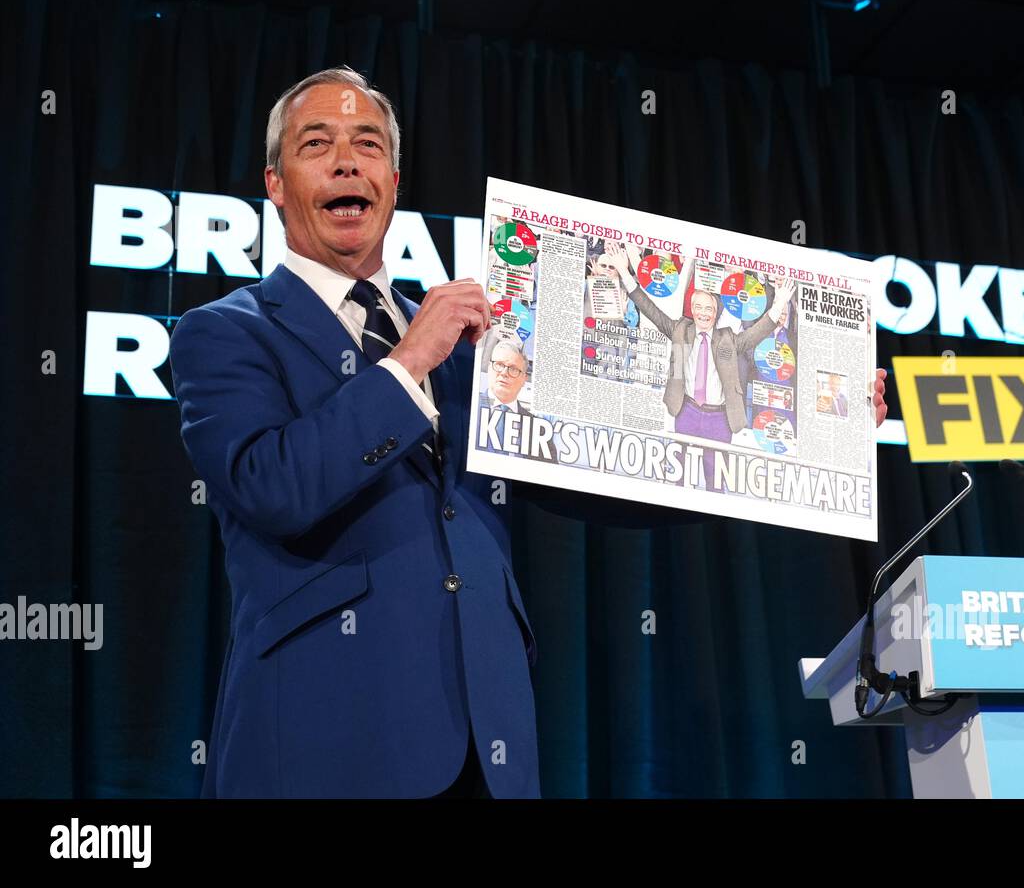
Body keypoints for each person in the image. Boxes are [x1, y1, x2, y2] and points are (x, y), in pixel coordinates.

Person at [169, 66, 537, 798]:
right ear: (275, 183)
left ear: (393, 183)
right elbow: (272, 486)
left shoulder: (473, 345)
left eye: (367, 144)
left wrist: (715, 455)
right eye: (317, 144)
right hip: (326, 741)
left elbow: (577, 474)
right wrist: (408, 363)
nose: (346, 161)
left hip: (487, 745)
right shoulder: (223, 333)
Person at [605, 247, 797, 489]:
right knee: (678, 476)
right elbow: (648, 308)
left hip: (719, 419)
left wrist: (779, 302)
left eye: (709, 309)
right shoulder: (679, 330)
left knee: (715, 482)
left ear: (716, 313)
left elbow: (758, 331)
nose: (703, 313)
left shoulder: (728, 338)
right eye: (698, 307)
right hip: (687, 412)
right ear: (692, 310)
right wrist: (623, 269)